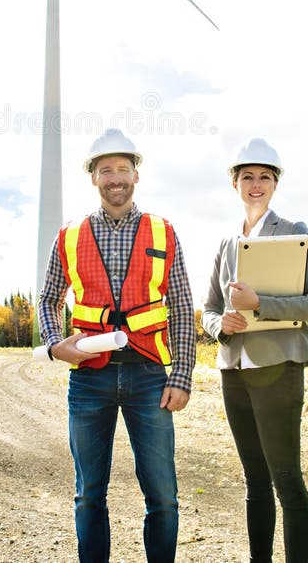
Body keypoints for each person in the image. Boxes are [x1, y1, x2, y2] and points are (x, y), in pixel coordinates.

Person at [38, 128, 196, 563]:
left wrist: (182, 376)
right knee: (89, 494)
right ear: (94, 178)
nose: (115, 178)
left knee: (163, 496)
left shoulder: (163, 232)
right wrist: (55, 344)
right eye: (105, 170)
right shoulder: (68, 236)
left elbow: (181, 304)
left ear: (136, 175)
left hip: (149, 376)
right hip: (90, 377)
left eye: (123, 169)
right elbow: (49, 298)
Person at [202, 138, 308, 563]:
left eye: (265, 177)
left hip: (279, 368)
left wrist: (260, 305)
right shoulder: (225, 243)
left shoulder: (295, 233)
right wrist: (222, 324)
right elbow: (209, 310)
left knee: (286, 478)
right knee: (254, 480)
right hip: (233, 372)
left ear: (275, 184)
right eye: (247, 177)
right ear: (235, 184)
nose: (256, 184)